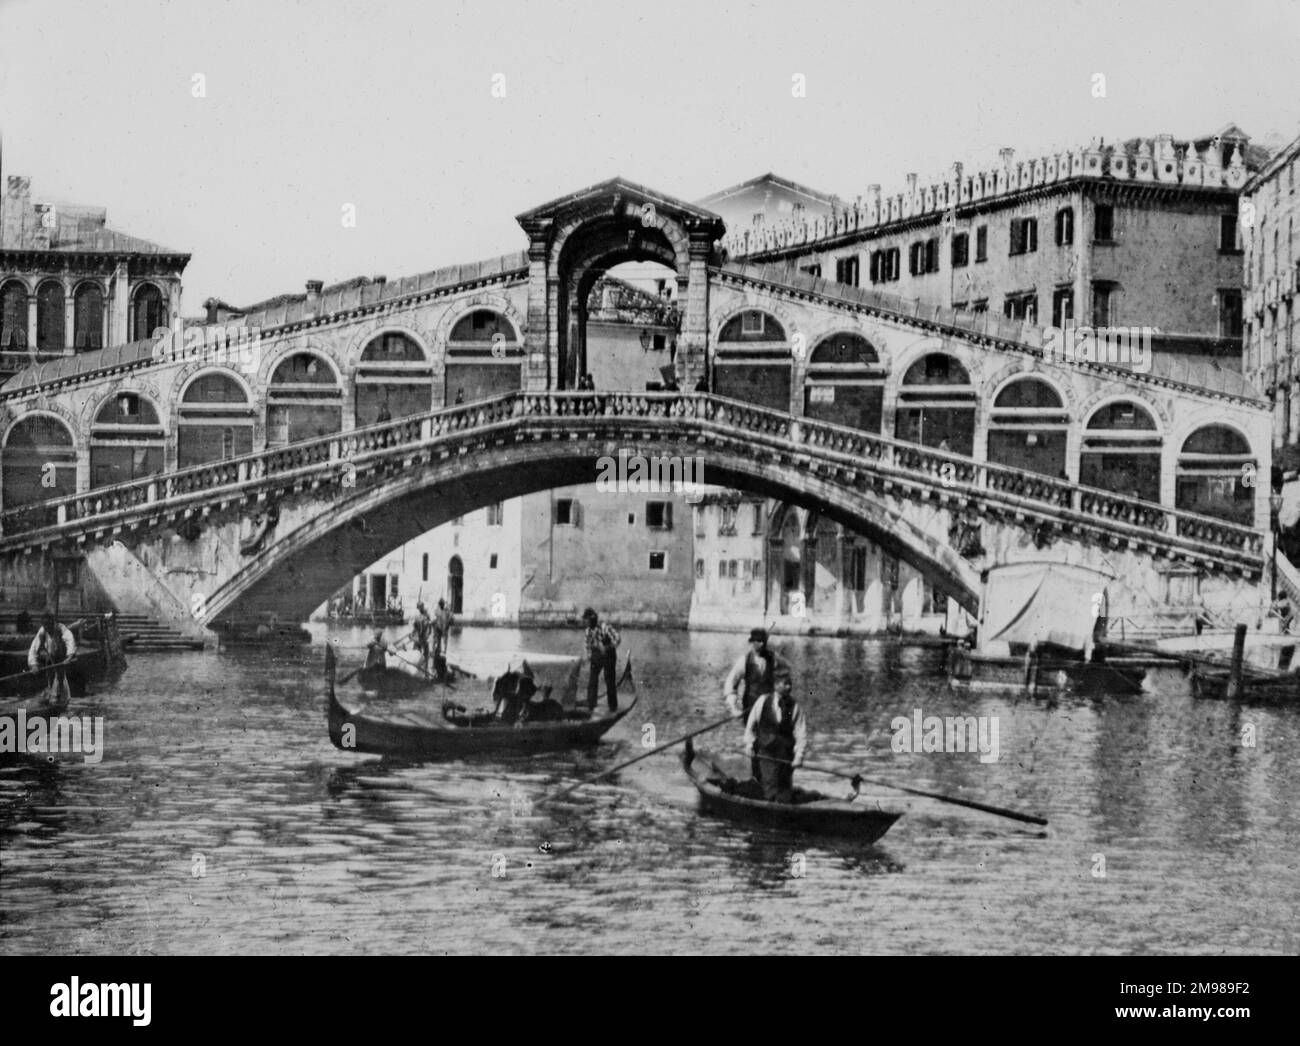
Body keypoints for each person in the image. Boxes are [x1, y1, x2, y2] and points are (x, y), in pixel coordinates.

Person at [743, 669, 807, 803]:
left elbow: (801, 733)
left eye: (790, 684)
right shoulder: (762, 701)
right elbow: (751, 726)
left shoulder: (794, 707)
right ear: (776, 685)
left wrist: (799, 756)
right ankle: (769, 809)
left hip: (785, 755)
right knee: (770, 787)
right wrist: (749, 745)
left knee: (785, 792)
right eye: (785, 684)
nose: (789, 687)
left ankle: (783, 809)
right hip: (766, 753)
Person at [580, 607, 620, 712]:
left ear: (593, 619)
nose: (586, 622)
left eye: (587, 619)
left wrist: (607, 647)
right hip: (597, 656)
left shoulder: (604, 626)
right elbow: (587, 646)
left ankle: (613, 707)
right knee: (592, 679)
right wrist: (589, 656)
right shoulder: (588, 631)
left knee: (609, 679)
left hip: (609, 656)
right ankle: (591, 704)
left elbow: (617, 638)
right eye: (585, 620)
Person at [28, 612, 76, 697]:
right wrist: (33, 665)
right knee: (49, 677)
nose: (47, 627)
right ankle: (49, 694)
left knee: (60, 678)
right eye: (45, 625)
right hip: (50, 657)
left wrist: (69, 658)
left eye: (49, 624)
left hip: (62, 657)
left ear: (53, 623)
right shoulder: (42, 631)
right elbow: (33, 648)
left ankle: (60, 695)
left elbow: (70, 641)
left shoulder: (61, 628)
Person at [432, 598, 454, 677]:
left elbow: (451, 620)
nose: (441, 605)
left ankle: (442, 655)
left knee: (443, 645)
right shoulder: (438, 611)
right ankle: (439, 657)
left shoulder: (445, 611)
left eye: (442, 603)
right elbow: (436, 619)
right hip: (439, 630)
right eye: (441, 603)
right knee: (438, 645)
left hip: (443, 630)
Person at [412, 602, 434, 672]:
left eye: (420, 608)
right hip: (419, 636)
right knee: (417, 651)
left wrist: (429, 634)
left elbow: (429, 625)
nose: (419, 609)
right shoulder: (418, 616)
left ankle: (425, 668)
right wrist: (413, 633)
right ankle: (419, 666)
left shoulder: (426, 615)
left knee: (425, 652)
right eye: (418, 608)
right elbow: (415, 626)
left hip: (423, 636)